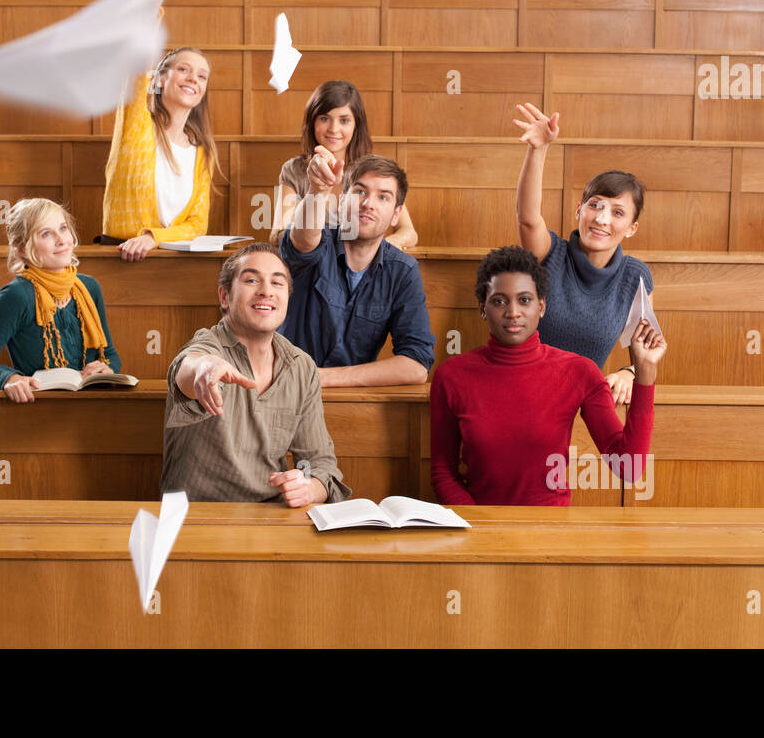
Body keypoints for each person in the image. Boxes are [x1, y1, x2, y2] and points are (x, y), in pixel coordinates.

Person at [430, 246, 665, 506]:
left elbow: (628, 468)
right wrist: (481, 527)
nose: (513, 312)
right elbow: (443, 474)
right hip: (478, 531)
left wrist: (645, 374)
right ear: (483, 308)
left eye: (525, 300)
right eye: (499, 301)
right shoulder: (452, 376)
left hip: (550, 530)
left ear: (542, 306)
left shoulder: (579, 371)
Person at [161, 243, 351, 505]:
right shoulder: (207, 346)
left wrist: (308, 488)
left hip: (272, 519)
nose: (266, 292)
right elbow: (189, 365)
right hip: (198, 521)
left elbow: (318, 463)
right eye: (251, 280)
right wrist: (204, 369)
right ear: (224, 297)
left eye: (277, 283)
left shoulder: (301, 366)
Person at [514, 102, 653, 404]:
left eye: (617, 212)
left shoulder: (635, 276)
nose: (602, 219)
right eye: (595, 205)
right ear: (579, 210)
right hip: (524, 393)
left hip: (580, 401)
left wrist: (628, 372)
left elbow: (645, 349)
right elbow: (527, 218)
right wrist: (538, 149)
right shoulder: (550, 252)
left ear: (631, 228)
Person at [100, 0, 220, 261]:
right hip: (117, 256)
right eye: (183, 69)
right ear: (161, 79)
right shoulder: (137, 123)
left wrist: (154, 238)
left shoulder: (201, 151)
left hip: (168, 262)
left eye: (202, 76)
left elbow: (197, 224)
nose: (193, 78)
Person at [279, 153, 435, 387]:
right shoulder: (317, 241)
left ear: (395, 215)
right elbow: (301, 241)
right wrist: (317, 191)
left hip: (349, 400)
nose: (368, 203)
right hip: (286, 390)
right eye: (360, 192)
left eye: (383, 197)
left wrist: (321, 378)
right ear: (341, 201)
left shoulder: (403, 271)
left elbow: (416, 364)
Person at [0, 198, 121, 403]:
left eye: (63, 228)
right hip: (39, 406)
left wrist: (106, 367)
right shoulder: (16, 295)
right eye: (46, 233)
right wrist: (9, 378)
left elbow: (110, 354)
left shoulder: (89, 287)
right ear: (22, 249)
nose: (62, 240)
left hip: (91, 402)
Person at [269, 80, 417, 250]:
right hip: (310, 265)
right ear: (312, 122)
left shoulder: (373, 170)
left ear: (356, 125)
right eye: (325, 118)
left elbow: (409, 232)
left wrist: (379, 248)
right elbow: (276, 234)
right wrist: (311, 242)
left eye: (344, 120)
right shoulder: (294, 169)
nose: (333, 129)